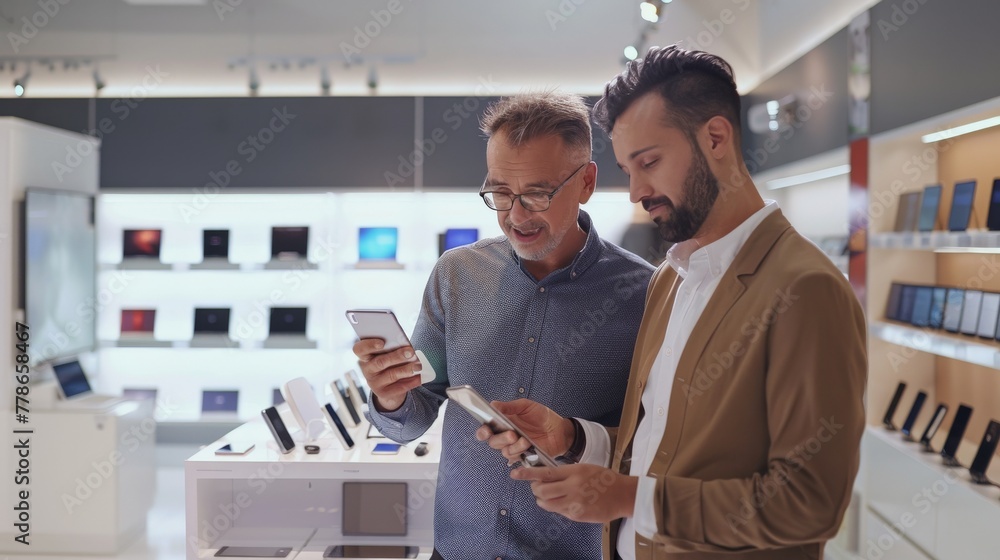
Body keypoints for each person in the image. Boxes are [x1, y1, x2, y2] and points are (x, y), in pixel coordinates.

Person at [481, 46, 867, 560]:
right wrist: (571, 437)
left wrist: (629, 499)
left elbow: (809, 502)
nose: (636, 190)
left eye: (650, 162)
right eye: (628, 169)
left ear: (716, 138)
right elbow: (660, 448)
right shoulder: (669, 279)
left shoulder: (805, 289)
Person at [354, 91, 654, 560]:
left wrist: (575, 437)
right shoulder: (456, 275)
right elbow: (412, 417)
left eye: (537, 193)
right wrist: (390, 396)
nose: (515, 215)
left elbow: (655, 446)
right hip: (456, 551)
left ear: (587, 182)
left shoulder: (645, 294)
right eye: (499, 193)